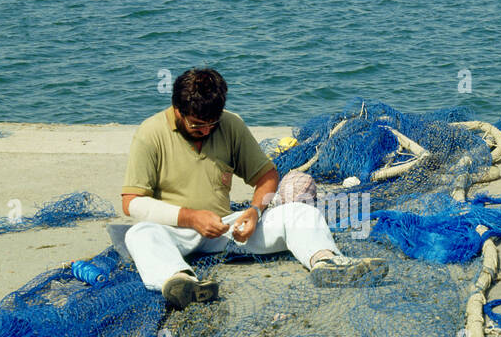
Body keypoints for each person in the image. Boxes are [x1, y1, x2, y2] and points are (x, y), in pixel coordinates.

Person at [120, 68, 385, 309]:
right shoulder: (150, 133)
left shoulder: (229, 124)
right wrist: (190, 217)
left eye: (211, 124)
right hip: (174, 232)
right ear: (177, 110)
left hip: (227, 229)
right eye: (197, 125)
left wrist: (255, 211)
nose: (205, 131)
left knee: (300, 213)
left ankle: (326, 262)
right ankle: (182, 282)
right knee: (139, 234)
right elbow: (132, 202)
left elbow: (266, 175)